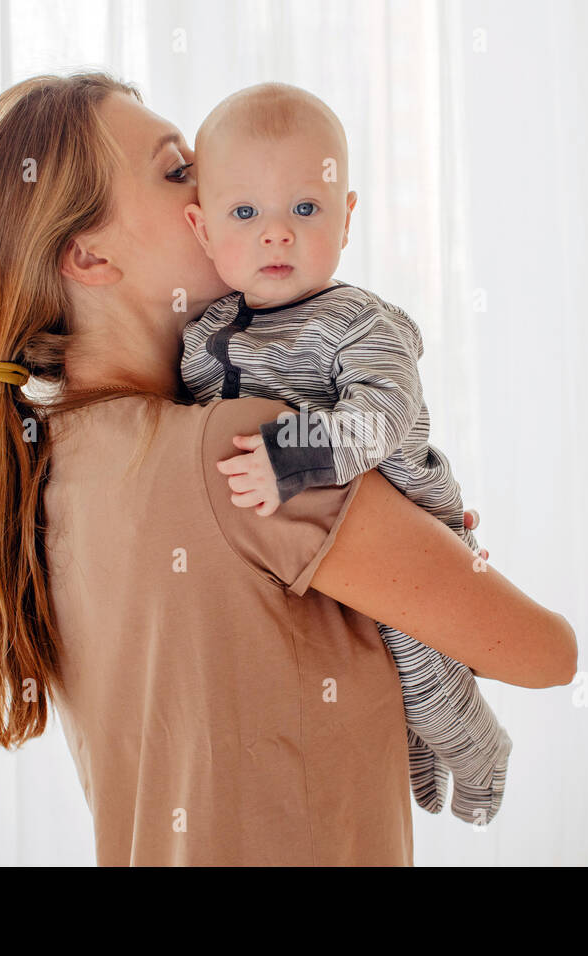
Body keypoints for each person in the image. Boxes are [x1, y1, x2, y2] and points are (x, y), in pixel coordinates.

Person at [0, 71, 577, 866]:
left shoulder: (46, 466)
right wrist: (426, 539)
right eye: (179, 172)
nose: (223, 188)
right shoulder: (246, 450)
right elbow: (546, 653)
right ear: (89, 255)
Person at [178, 81, 512, 823]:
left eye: (305, 208)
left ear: (346, 217)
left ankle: (479, 747)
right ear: (202, 230)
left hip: (402, 515)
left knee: (418, 655)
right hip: (302, 545)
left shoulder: (356, 322)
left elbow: (382, 415)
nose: (277, 234)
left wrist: (288, 457)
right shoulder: (203, 334)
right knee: (366, 672)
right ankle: (421, 764)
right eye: (245, 213)